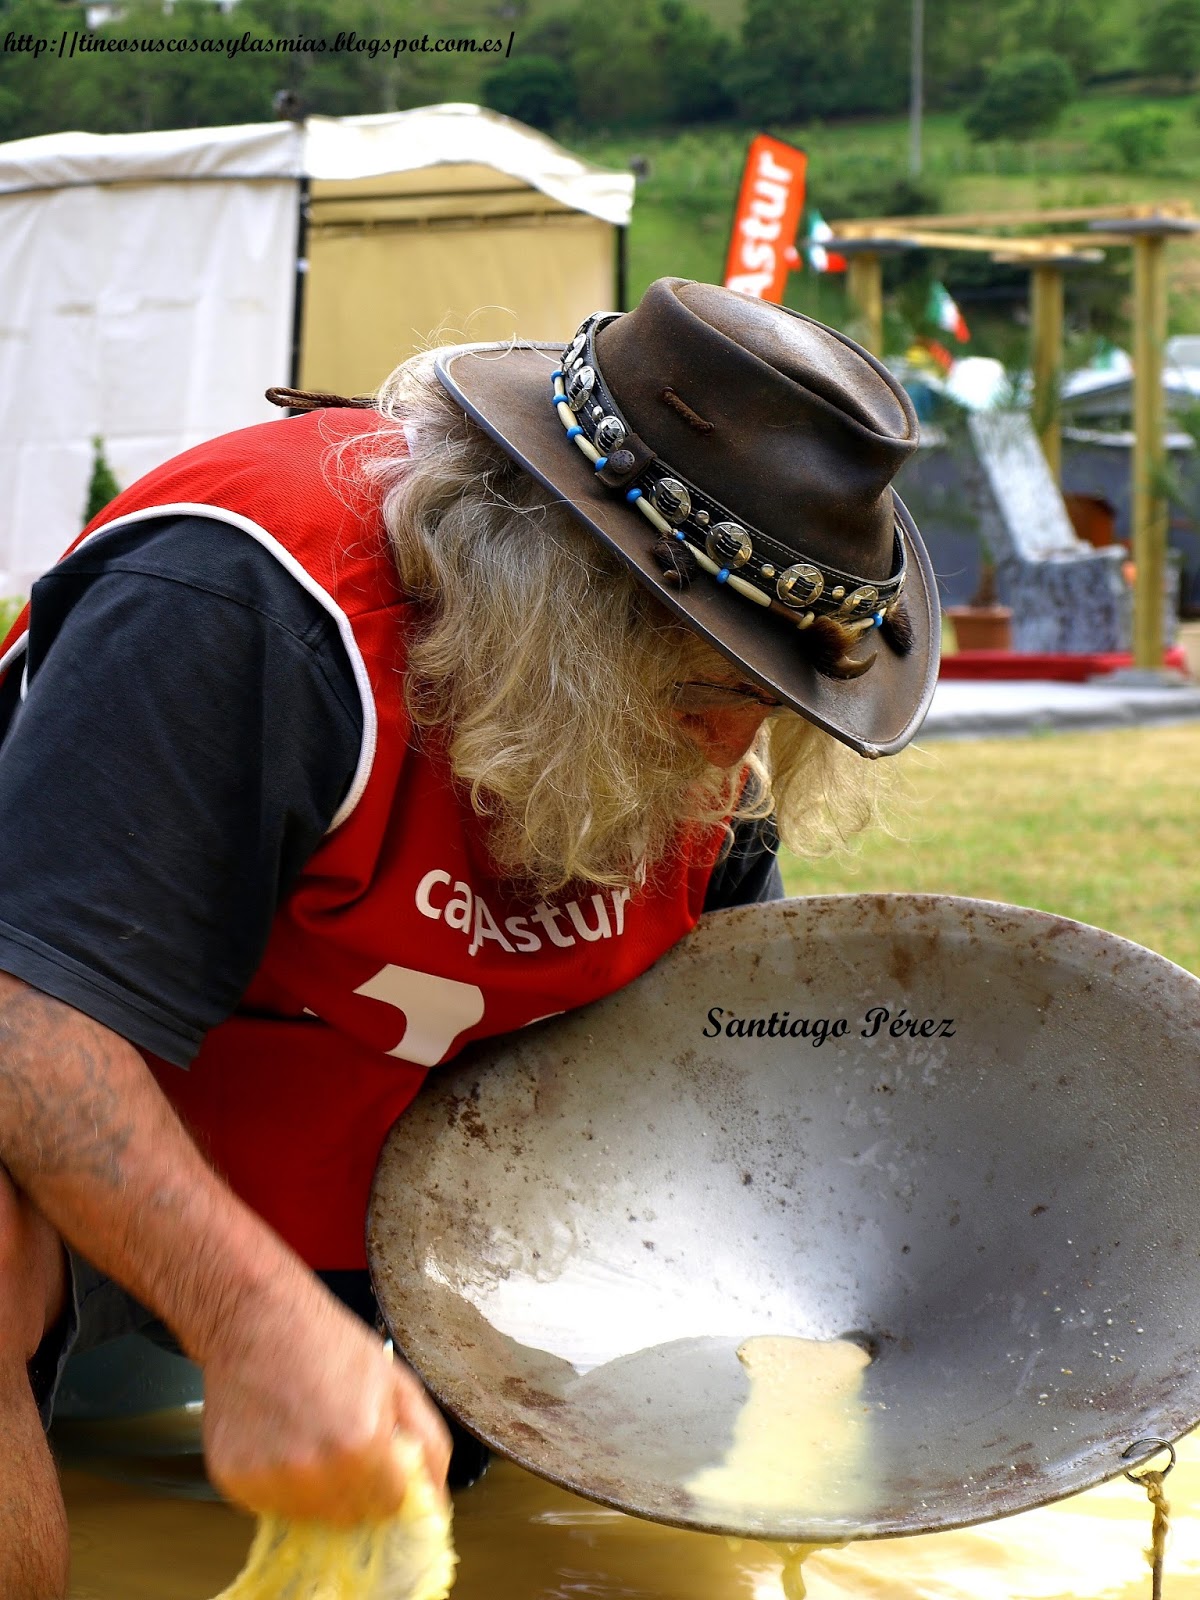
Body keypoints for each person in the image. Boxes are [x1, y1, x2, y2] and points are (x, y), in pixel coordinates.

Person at [0, 276, 937, 1597]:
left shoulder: (706, 749)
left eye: (771, 696)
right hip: (76, 1145)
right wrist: (252, 1326)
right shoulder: (242, 604)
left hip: (382, 1187)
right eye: (708, 689)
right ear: (553, 597)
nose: (733, 751)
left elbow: (726, 1076)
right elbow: (29, 1023)